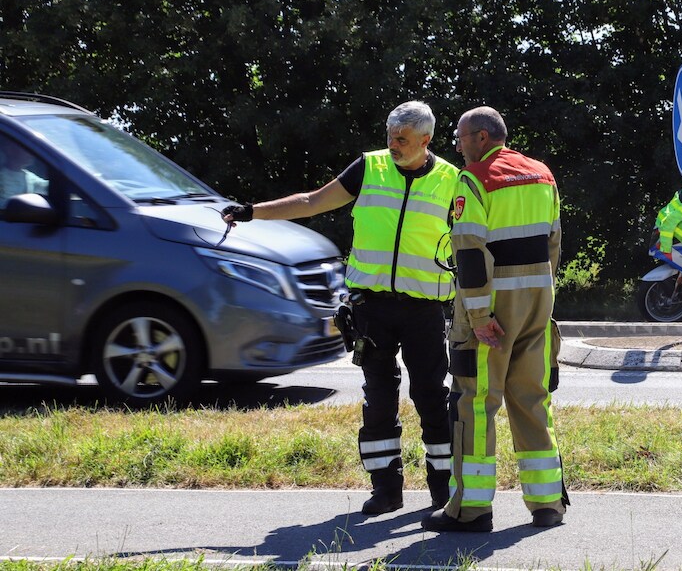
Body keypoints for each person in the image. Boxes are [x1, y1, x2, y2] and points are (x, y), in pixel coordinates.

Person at [221, 101, 457, 515]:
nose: (392, 145)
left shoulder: (452, 181)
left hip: (425, 310)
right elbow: (312, 202)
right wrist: (254, 212)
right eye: (389, 136)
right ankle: (386, 489)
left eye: (402, 139)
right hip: (371, 308)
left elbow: (473, 240)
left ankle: (443, 489)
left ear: (426, 140)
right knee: (379, 399)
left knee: (431, 398)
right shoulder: (370, 167)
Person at [422, 106, 567, 532]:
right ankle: (547, 504)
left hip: (494, 308)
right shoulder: (542, 174)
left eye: (461, 137)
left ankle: (470, 510)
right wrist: (540, 290)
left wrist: (480, 314)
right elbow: (553, 241)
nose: (457, 145)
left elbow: (468, 251)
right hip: (538, 301)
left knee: (476, 404)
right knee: (532, 397)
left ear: (482, 138)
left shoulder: (475, 179)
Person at [0, 136, 50, 203]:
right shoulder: (2, 176)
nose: (32, 154)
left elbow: (46, 187)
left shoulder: (29, 176)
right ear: (10, 150)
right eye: (27, 149)